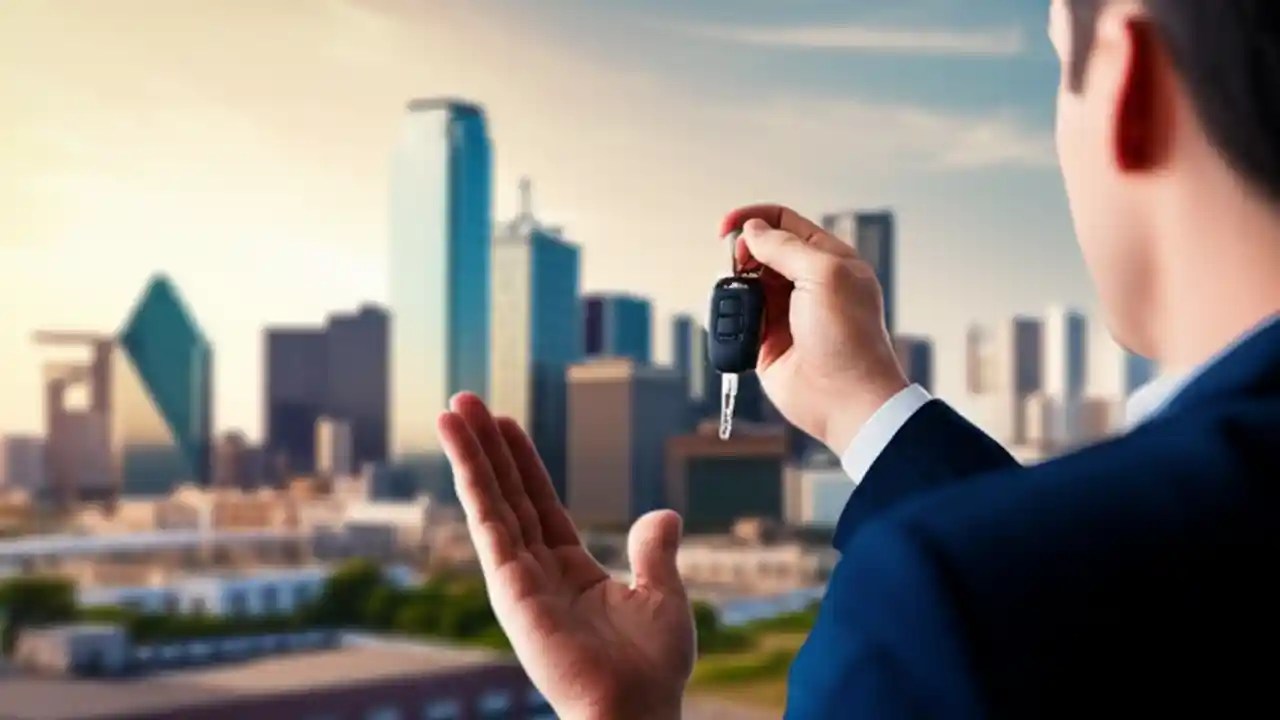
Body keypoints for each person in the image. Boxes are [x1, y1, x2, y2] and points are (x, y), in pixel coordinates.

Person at [437, 0, 1280, 717]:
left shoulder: (935, 615)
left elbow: (1065, 605)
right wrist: (862, 405)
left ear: (1129, 82)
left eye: (1062, 67)